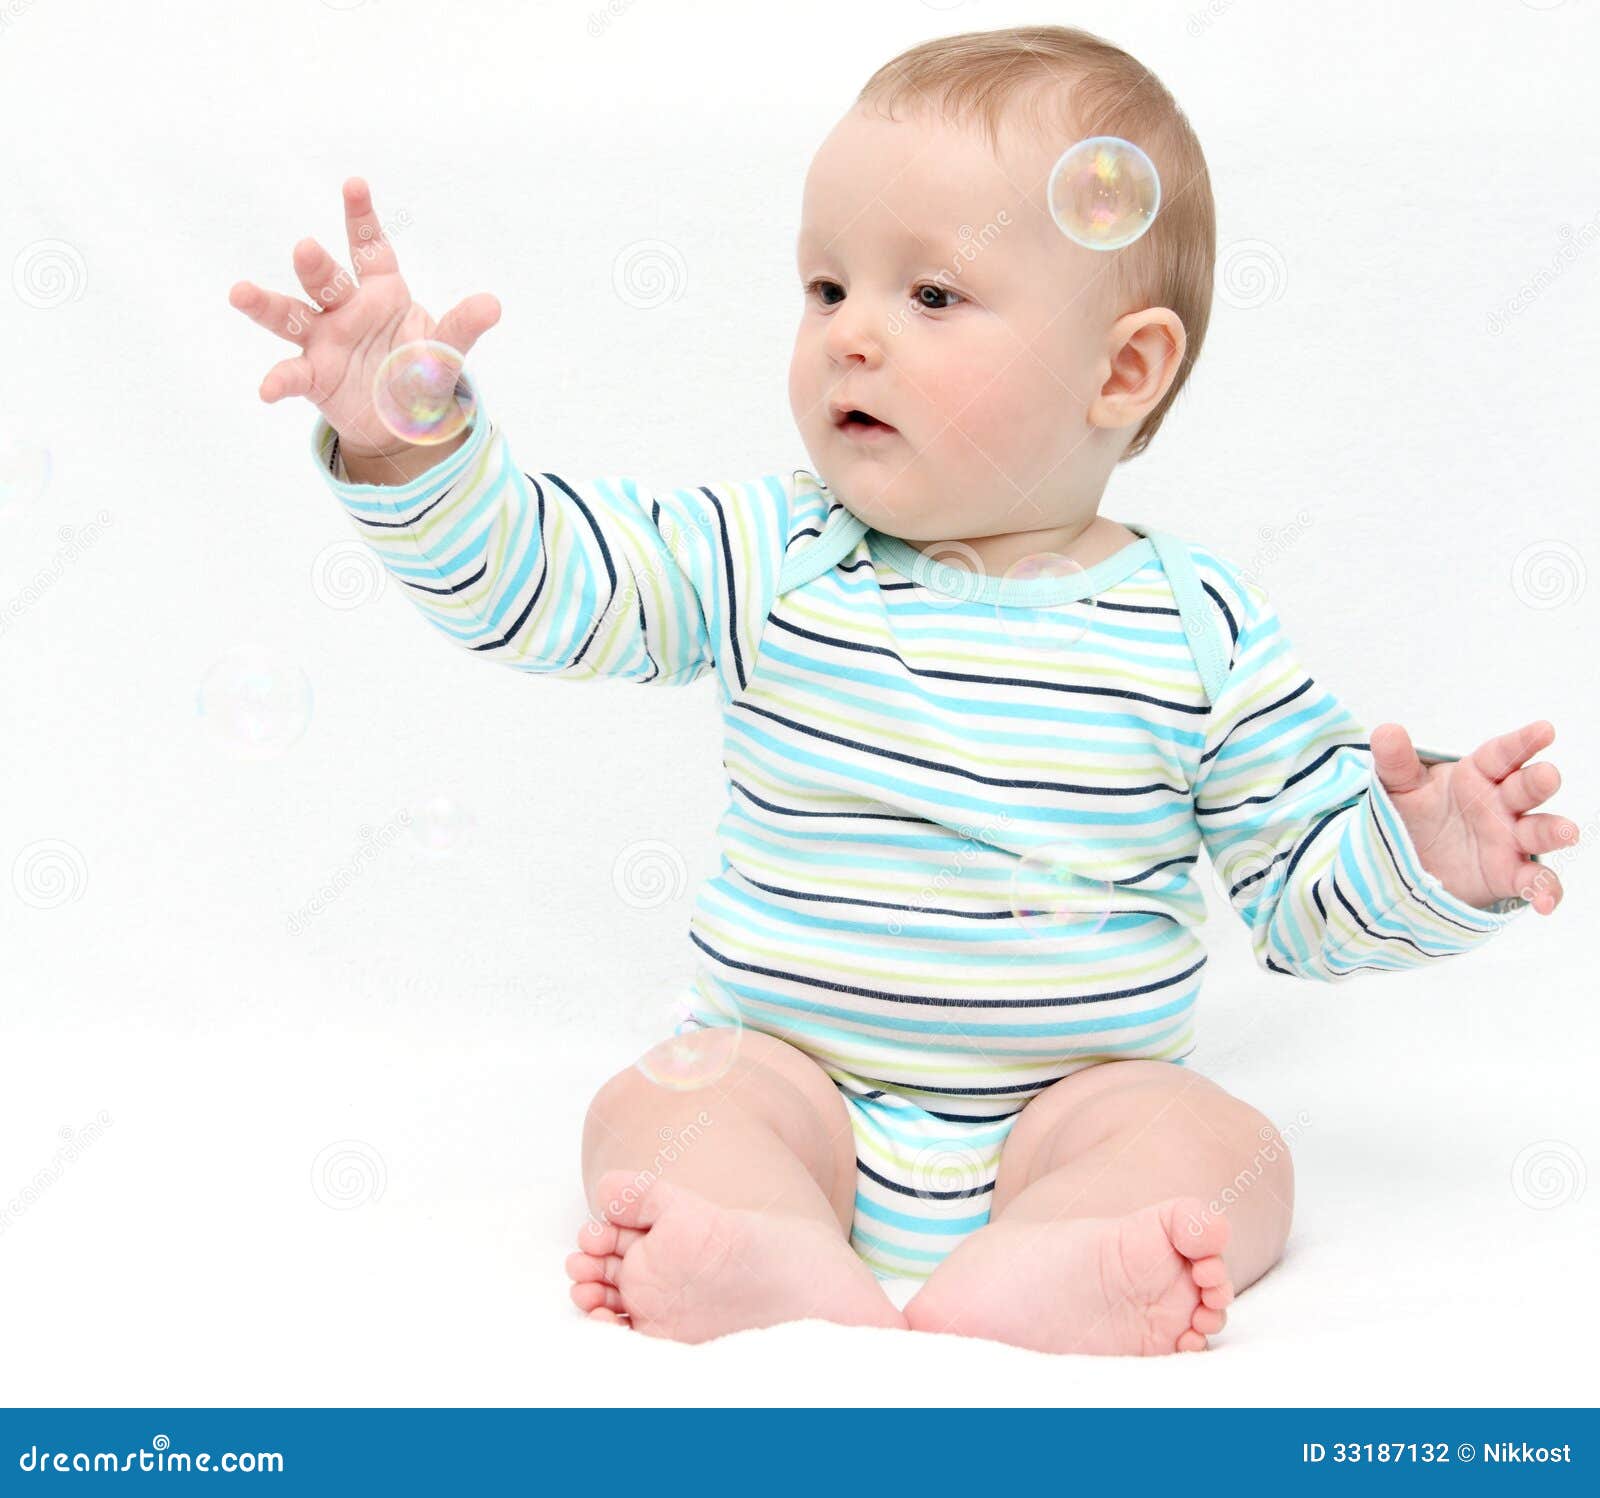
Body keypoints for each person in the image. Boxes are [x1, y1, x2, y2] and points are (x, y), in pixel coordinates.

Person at [228, 23, 1572, 1355]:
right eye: (826, 289)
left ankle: (1066, 1257)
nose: (852, 336)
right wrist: (414, 444)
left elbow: (1299, 893)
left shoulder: (1197, 624)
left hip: (1077, 1103)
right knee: (649, 1108)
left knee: (1230, 1149)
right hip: (787, 1081)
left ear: (1123, 369)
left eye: (929, 297)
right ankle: (761, 1241)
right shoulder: (770, 550)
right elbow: (546, 582)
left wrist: (1428, 857)